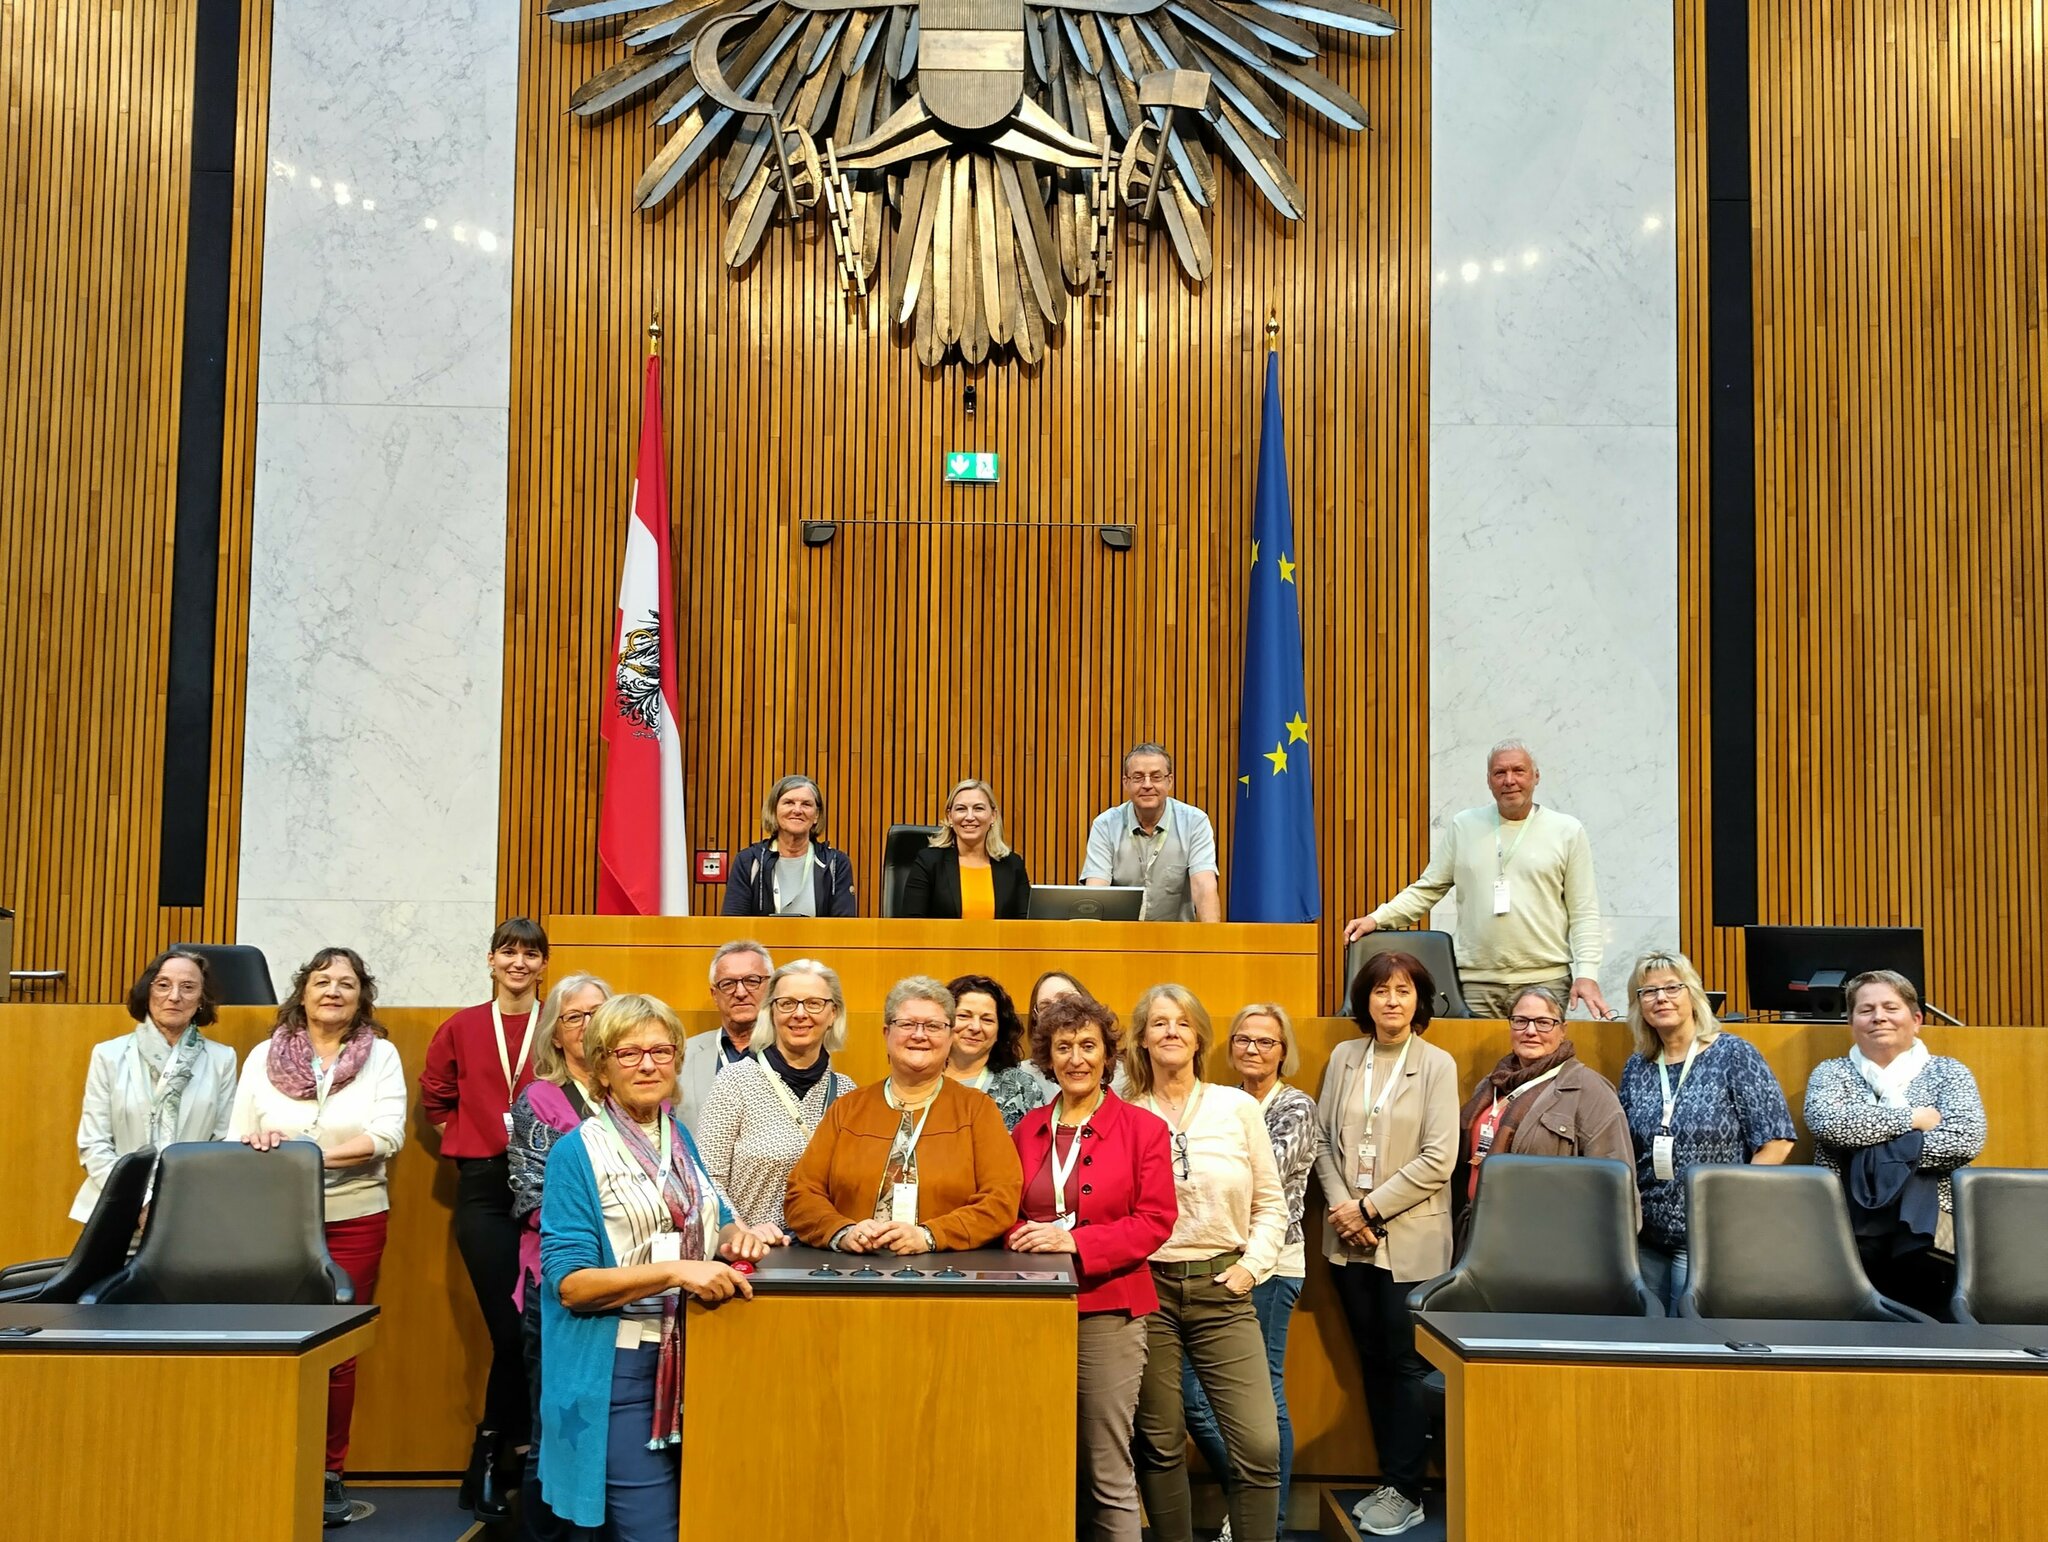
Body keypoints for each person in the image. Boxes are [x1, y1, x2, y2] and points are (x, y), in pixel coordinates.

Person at [536, 994, 768, 1542]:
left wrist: (741, 1234)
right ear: (601, 1065)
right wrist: (676, 1272)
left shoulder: (678, 1137)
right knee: (652, 1531)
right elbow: (570, 1284)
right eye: (630, 1052)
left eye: (662, 1051)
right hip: (618, 1372)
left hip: (695, 1361)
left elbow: (717, 1215)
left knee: (702, 1514)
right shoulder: (576, 1152)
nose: (648, 1065)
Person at [228, 946, 407, 1527]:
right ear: (301, 992)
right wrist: (260, 1148)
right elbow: (236, 1137)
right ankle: (267, 1456)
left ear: (362, 999)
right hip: (274, 1217)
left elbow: (387, 1136)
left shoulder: (381, 1055)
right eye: (322, 981)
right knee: (271, 1339)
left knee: (337, 1349)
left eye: (347, 984)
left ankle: (329, 1472)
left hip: (355, 1215)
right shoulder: (262, 1056)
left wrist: (309, 1157)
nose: (333, 991)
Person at [1008, 993, 1177, 1542]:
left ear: (1109, 1056)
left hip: (1110, 1307)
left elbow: (1155, 1221)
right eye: (1062, 1048)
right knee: (1037, 1460)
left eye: (1088, 1046)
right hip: (1032, 1312)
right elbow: (1003, 1214)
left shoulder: (1143, 1129)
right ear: (1047, 1058)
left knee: (1107, 1467)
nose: (1076, 1059)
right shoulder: (1026, 1128)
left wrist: (1074, 1241)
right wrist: (1021, 1234)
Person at [1124, 984, 1285, 1542]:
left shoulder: (1236, 1106)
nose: (1171, 1031)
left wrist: (1253, 1265)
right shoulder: (1122, 1111)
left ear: (1199, 1038)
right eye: (1159, 1022)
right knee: (1160, 1441)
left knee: (1260, 1445)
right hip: (1147, 1292)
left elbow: (1272, 1204)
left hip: (1224, 1290)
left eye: (1183, 1022)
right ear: (1142, 1039)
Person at [1312, 951, 1457, 1537]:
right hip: (1349, 1243)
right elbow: (1320, 1140)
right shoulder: (1345, 1057)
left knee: (1405, 1365)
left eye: (1403, 990)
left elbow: (1439, 1158)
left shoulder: (1438, 1064)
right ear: (1363, 1000)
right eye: (1380, 991)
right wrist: (1346, 1211)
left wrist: (1369, 1207)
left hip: (1410, 1241)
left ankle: (1409, 1489)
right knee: (1371, 1361)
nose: (1391, 1001)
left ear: (1420, 1000)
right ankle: (1389, 1478)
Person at [419, 916, 552, 1522]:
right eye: (508, 952)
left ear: (544, 965)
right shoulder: (462, 1026)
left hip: (551, 1185)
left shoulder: (558, 1021)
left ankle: (497, 1457)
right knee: (511, 1327)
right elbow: (435, 1097)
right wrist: (471, 1137)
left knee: (534, 1325)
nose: (519, 963)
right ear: (491, 961)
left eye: (530, 954)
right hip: (482, 1188)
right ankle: (502, 1451)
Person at [1341, 739, 1611, 1019]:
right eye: (1499, 773)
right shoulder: (1464, 825)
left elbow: (1584, 912)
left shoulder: (1567, 830)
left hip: (1545, 981)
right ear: (1489, 780)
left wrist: (1587, 974)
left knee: (1540, 1062)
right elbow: (1428, 889)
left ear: (1536, 776)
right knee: (1477, 1063)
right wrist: (1378, 918)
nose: (1509, 780)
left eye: (1519, 771)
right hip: (1474, 984)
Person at [1180, 1004, 1321, 1533]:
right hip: (1214, 1263)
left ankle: (1266, 1518)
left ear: (1284, 1051)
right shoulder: (1221, 1102)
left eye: (1266, 1042)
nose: (1253, 1050)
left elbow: (1253, 1175)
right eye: (1243, 1040)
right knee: (1193, 1398)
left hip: (1271, 1264)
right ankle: (1254, 1501)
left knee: (1266, 1394)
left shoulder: (1296, 1108)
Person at [784, 976, 1023, 1253]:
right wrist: (842, 1231)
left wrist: (931, 1236)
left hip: (949, 1275)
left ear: (949, 1037)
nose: (919, 1035)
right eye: (907, 1024)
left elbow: (1001, 1199)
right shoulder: (847, 1109)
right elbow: (802, 1194)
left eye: (934, 1026)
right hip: (853, 1274)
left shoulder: (978, 1110)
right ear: (887, 1034)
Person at [1616, 950, 1795, 1311]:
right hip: (1646, 1233)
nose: (1660, 998)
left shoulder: (1734, 1054)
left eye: (1671, 987)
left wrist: (1730, 1206)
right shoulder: (1638, 1066)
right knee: (1645, 1334)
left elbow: (1776, 1141)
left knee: (1687, 1336)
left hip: (1705, 1233)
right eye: (1647, 992)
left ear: (1693, 995)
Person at [1803, 968, 1986, 1317]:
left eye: (1890, 1007)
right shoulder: (1832, 1072)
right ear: (1851, 1022)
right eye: (1866, 1009)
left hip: (1932, 1235)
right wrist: (1913, 1120)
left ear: (1916, 1019)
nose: (1879, 1017)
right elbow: (1829, 1125)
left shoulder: (1948, 1072)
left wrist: (1867, 1151)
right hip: (1844, 1228)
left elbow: (1964, 1139)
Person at [508, 972, 611, 1542]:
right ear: (556, 1034)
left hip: (629, 1285)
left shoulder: (643, 1093)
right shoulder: (540, 1100)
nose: (591, 1024)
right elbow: (530, 1196)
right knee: (554, 1431)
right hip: (558, 1285)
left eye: (601, 1012)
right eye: (577, 1016)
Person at [1451, 984, 1637, 1247]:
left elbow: (1617, 1185)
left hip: (1548, 1243)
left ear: (1562, 1030)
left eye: (1543, 1022)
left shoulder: (1590, 1090)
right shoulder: (1491, 1084)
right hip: (1479, 1236)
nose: (1530, 1031)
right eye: (1520, 1021)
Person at [72, 948, 238, 1221]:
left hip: (191, 1211)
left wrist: (172, 1205)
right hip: (116, 1207)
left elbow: (222, 1143)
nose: (174, 996)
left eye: (188, 987)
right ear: (147, 993)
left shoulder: (222, 1059)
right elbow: (94, 1144)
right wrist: (142, 1202)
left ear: (201, 1000)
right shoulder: (108, 1055)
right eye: (163, 985)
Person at [694, 959, 858, 1233]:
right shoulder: (736, 1081)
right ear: (771, 1013)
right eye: (787, 1003)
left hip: (823, 1251)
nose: (800, 1014)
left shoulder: (845, 1091)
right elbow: (707, 1178)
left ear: (833, 1013)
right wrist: (740, 1231)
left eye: (814, 1003)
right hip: (754, 1253)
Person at [1081, 743, 1222, 922]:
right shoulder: (1105, 825)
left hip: (1178, 941)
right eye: (1138, 777)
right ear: (1126, 782)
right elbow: (1096, 892)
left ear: (1169, 781)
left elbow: (1204, 887)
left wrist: (1211, 945)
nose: (1147, 785)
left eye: (1156, 777)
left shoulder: (1194, 822)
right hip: (1120, 941)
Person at [722, 775, 856, 917]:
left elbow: (844, 929)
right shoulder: (749, 861)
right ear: (774, 810)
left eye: (806, 804)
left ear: (816, 815)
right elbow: (733, 925)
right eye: (789, 803)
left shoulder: (836, 863)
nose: (797, 810)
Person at [675, 940, 774, 1132]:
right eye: (728, 984)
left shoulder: (797, 1056)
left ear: (771, 987)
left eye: (752, 981)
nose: (740, 992)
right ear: (714, 995)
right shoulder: (682, 1055)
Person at [900, 778, 1033, 918]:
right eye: (961, 809)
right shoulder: (929, 862)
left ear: (993, 816)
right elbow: (912, 925)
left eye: (978, 808)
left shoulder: (1013, 864)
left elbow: (1027, 924)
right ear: (950, 817)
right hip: (942, 940)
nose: (969, 817)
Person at [944, 972, 1047, 1131]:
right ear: (944, 1021)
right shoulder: (923, 1082)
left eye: (987, 1020)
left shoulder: (1020, 1085)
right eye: (964, 1016)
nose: (975, 1027)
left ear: (1000, 1030)